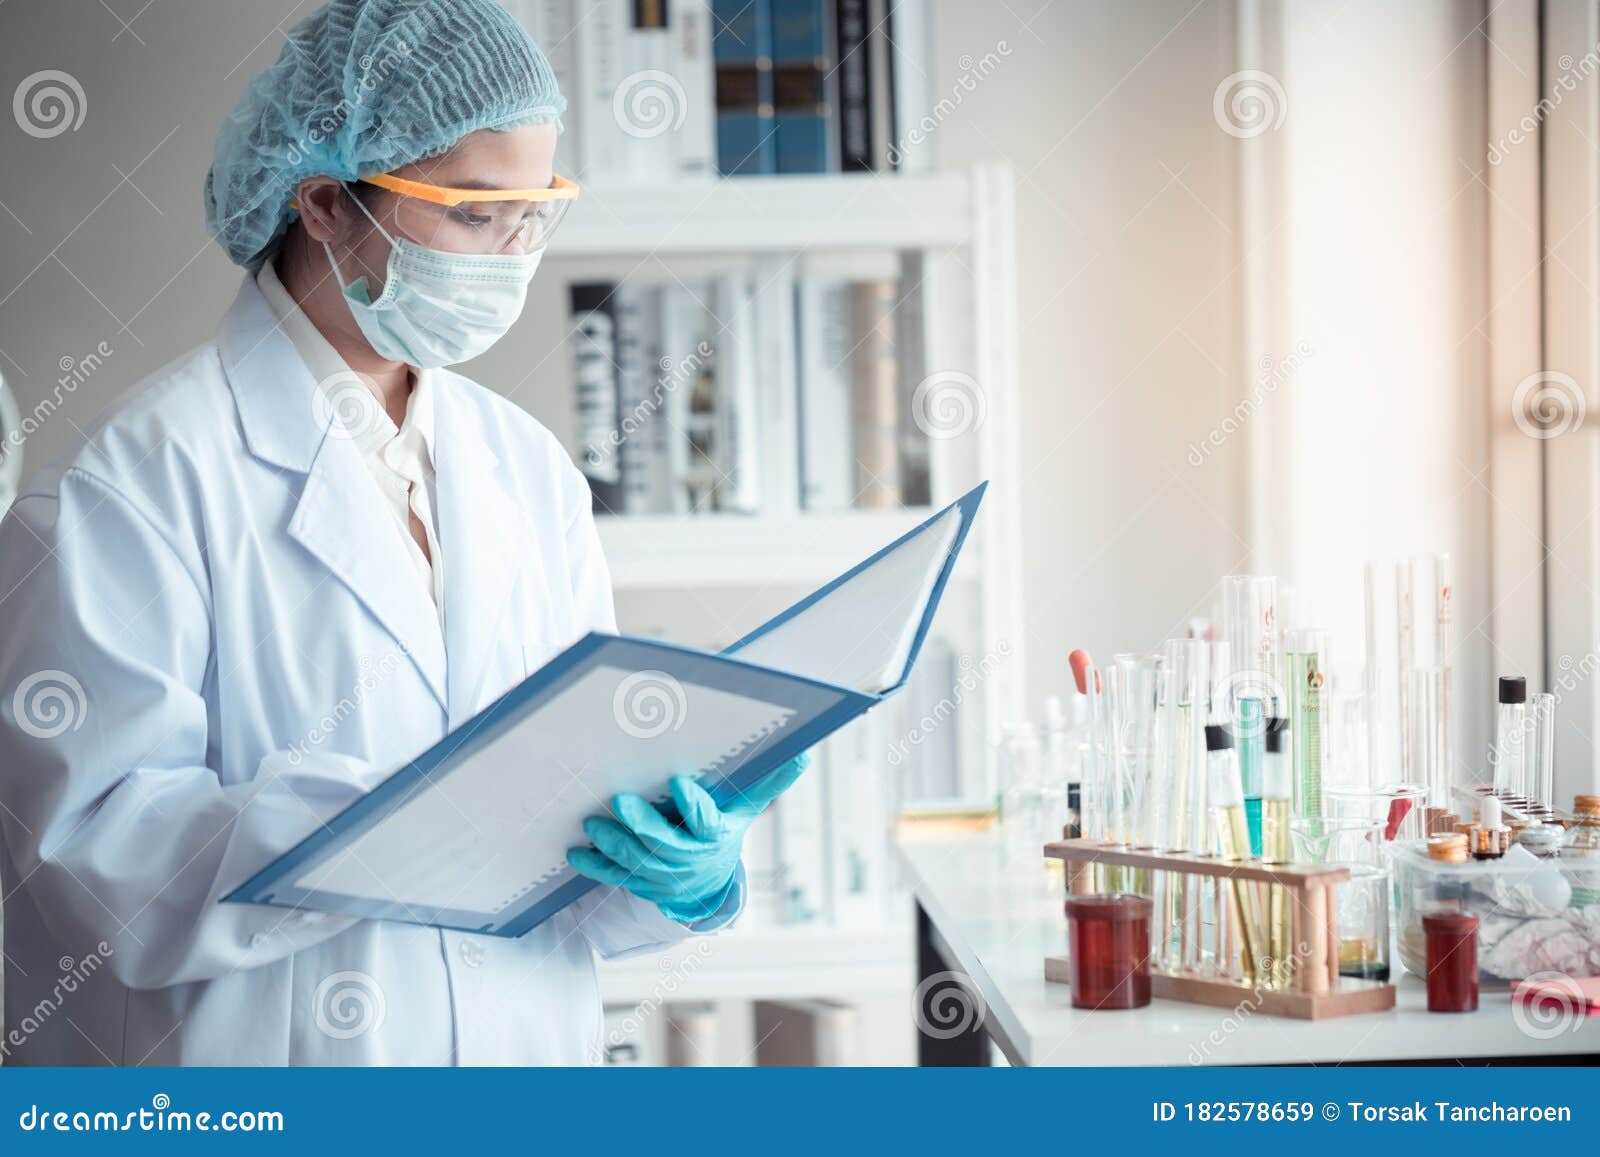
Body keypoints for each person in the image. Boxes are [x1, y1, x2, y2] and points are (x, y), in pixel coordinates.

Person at [0, 0, 802, 1066]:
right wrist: (394, 824)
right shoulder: (129, 483)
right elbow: (93, 869)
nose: (513, 252)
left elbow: (570, 884)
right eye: (475, 215)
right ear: (326, 201)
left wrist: (665, 866)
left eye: (534, 212)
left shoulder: (527, 471)